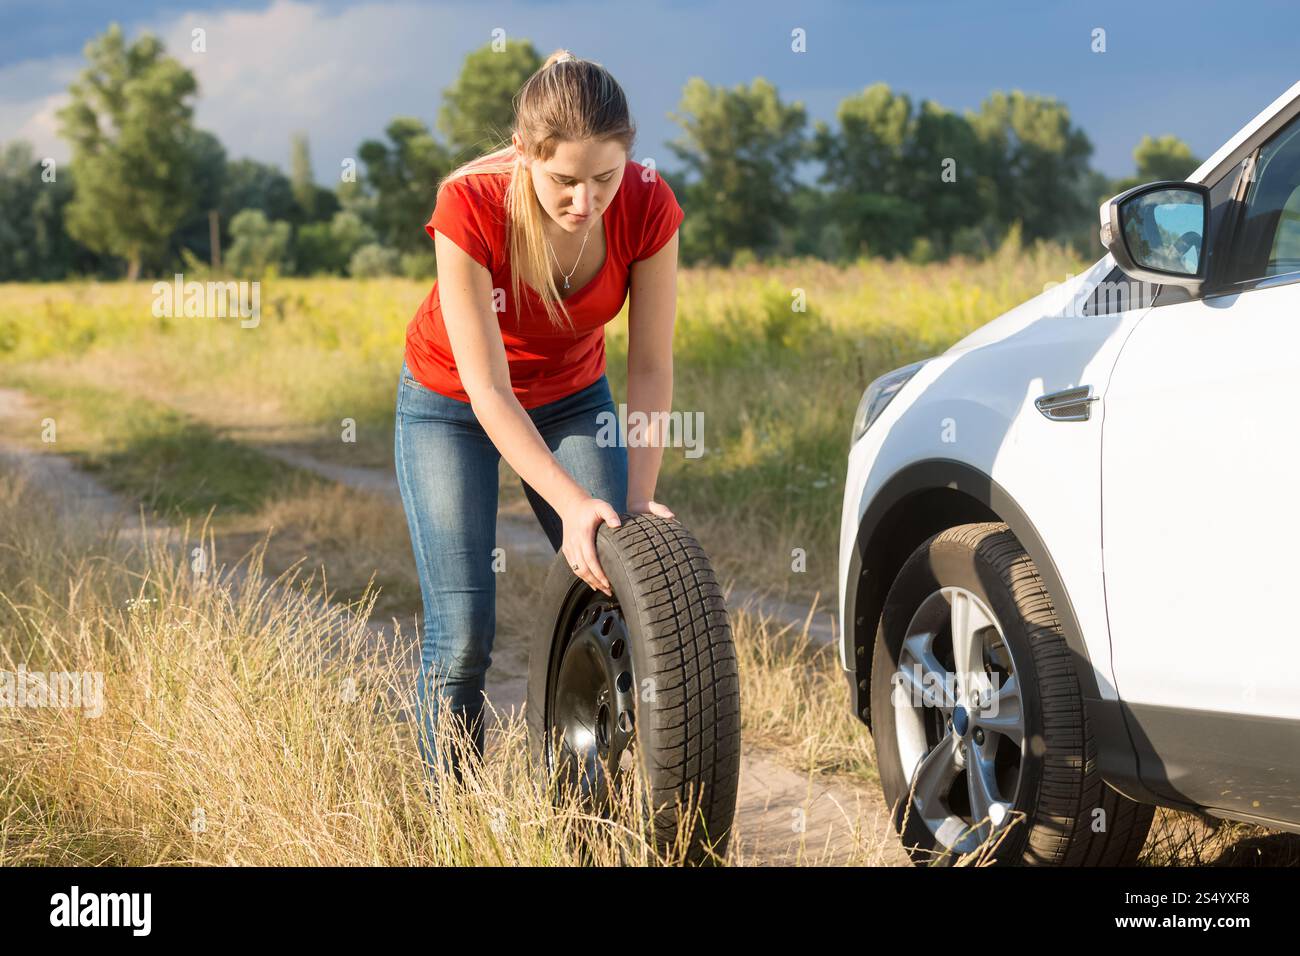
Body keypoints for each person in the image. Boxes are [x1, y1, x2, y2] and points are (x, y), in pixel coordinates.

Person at [394, 49, 684, 783]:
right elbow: (489, 389)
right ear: (524, 154)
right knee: (462, 637)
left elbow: (649, 366)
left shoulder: (650, 205)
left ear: (630, 159)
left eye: (604, 179)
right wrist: (570, 500)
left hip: (571, 396)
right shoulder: (469, 204)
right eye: (563, 181)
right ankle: (449, 823)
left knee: (609, 584)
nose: (586, 202)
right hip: (451, 401)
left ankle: (580, 802)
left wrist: (635, 499)